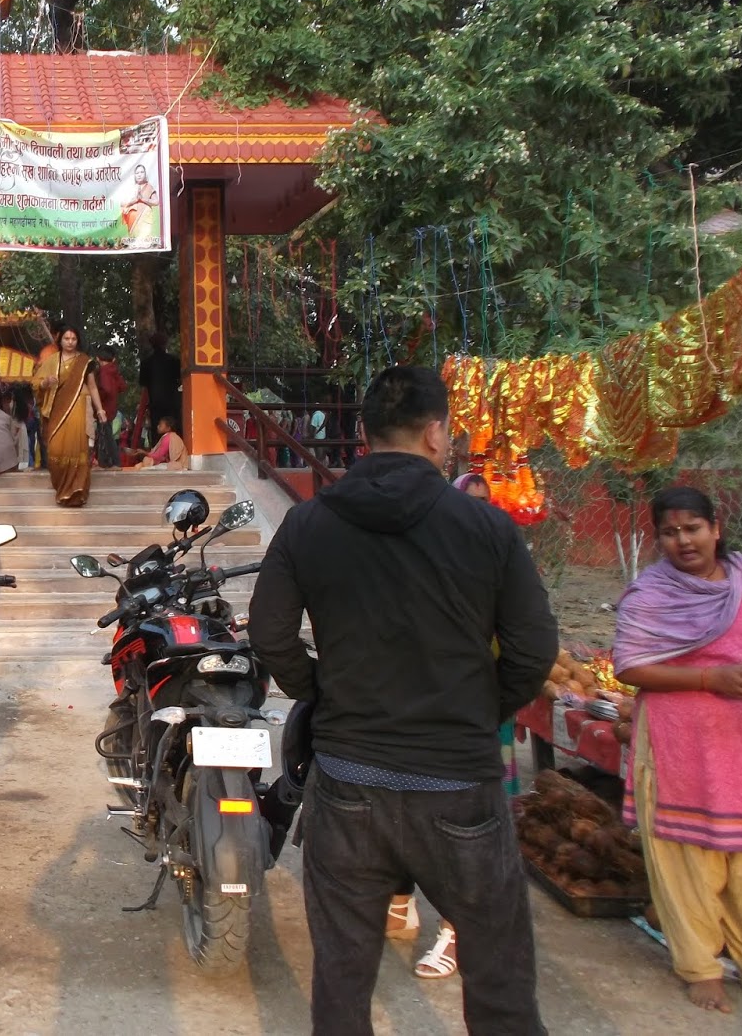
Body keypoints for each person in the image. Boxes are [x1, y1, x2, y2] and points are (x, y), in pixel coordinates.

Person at [247, 365, 557, 1036]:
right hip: (460, 785)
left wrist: (322, 691)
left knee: (342, 982)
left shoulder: (308, 525)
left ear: (361, 434)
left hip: (350, 781)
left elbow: (269, 636)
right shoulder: (487, 528)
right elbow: (534, 650)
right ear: (438, 433)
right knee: (499, 982)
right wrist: (477, 711)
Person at [614, 486, 742, 1014]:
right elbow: (629, 667)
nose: (683, 540)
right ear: (658, 538)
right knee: (684, 854)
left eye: (693, 528)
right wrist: (711, 679)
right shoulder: (651, 595)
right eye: (670, 531)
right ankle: (699, 965)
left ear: (716, 529)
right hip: (675, 736)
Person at [391, 467, 505, 982]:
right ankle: (400, 903)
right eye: (467, 501)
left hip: (468, 720)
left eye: (483, 501)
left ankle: (455, 935)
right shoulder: (421, 559)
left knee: (461, 837)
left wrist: (489, 705)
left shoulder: (497, 561)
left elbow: (526, 646)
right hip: (413, 717)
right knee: (404, 818)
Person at [35, 325, 105, 508]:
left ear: (78, 341)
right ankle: (62, 487)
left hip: (79, 406)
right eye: (66, 338)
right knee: (55, 451)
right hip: (57, 409)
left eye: (73, 339)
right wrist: (45, 382)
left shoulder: (84, 361)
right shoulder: (51, 361)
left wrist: (100, 409)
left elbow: (93, 387)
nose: (70, 342)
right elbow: (36, 383)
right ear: (60, 340)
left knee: (77, 450)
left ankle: (77, 492)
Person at [138, 333, 181, 448]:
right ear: (165, 344)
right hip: (172, 400)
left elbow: (143, 383)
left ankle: (158, 452)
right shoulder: (174, 360)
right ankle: (174, 451)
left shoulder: (146, 363)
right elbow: (181, 379)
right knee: (174, 426)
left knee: (157, 428)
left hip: (155, 401)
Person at [120, 164, 160, 242]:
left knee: (144, 241)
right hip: (132, 219)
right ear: (134, 175)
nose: (139, 175)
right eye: (137, 173)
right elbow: (122, 203)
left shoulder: (149, 187)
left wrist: (143, 199)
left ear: (145, 174)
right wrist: (134, 200)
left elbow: (156, 202)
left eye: (141, 172)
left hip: (145, 218)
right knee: (134, 242)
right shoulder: (130, 188)